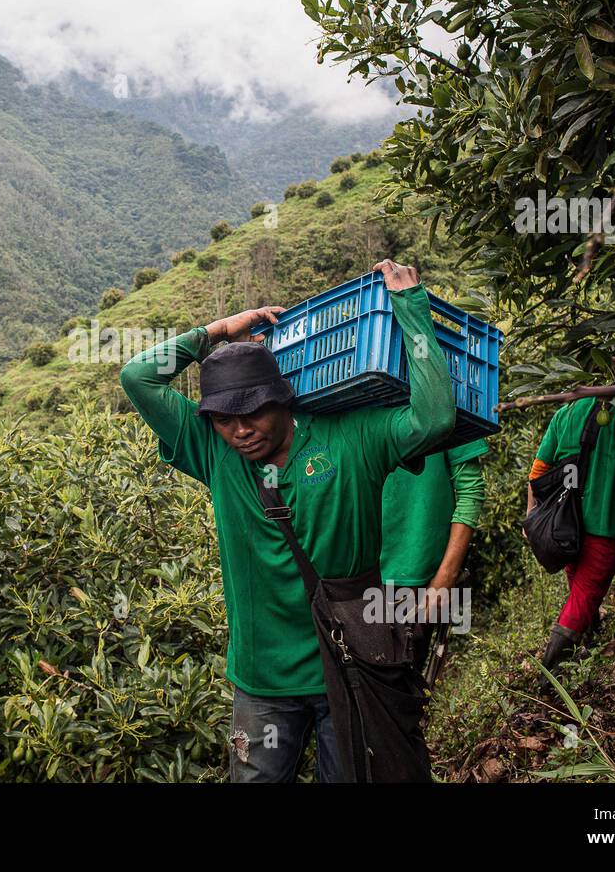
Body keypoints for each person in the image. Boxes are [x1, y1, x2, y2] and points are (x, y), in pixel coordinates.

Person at [119, 259, 455, 782]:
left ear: (283, 397)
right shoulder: (212, 450)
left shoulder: (351, 437)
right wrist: (219, 332)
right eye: (225, 418)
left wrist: (411, 308)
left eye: (252, 411)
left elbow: (435, 418)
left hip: (348, 668)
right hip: (261, 684)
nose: (240, 430)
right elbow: (136, 376)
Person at [526, 397, 615, 672]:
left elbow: (538, 471)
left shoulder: (566, 412)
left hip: (564, 525)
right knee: (585, 593)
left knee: (580, 590)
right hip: (602, 520)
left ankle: (589, 644)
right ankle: (550, 674)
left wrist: (531, 517)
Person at [379, 437, 488, 676]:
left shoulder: (449, 403)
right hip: (349, 579)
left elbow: (470, 489)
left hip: (417, 581)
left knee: (401, 689)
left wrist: (444, 579)